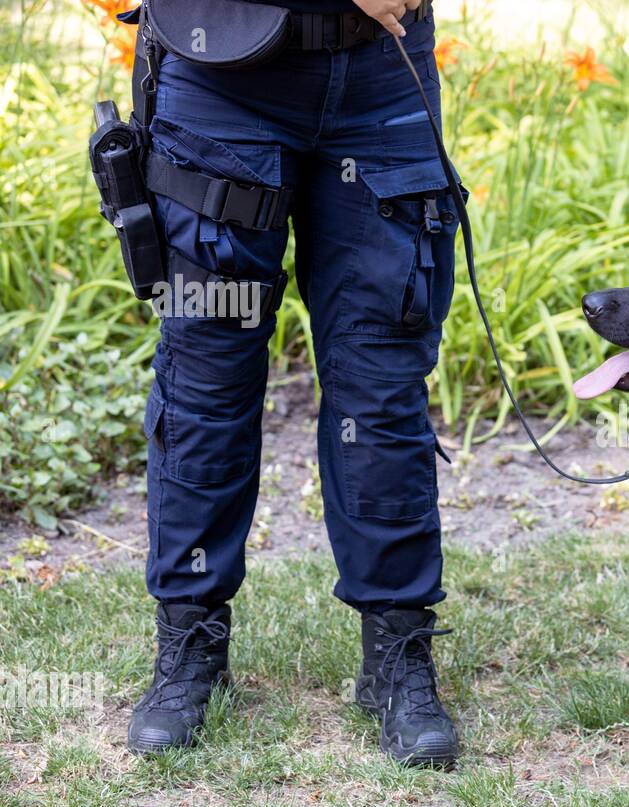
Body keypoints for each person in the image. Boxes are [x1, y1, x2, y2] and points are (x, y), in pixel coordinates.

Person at [123, 0, 461, 767]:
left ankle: (397, 655)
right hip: (222, 74)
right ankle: (190, 645)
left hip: (381, 69)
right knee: (205, 382)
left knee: (381, 384)